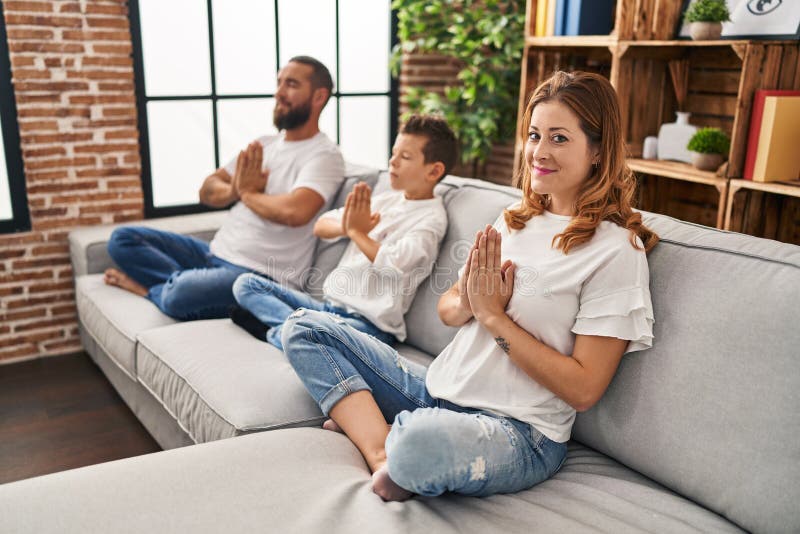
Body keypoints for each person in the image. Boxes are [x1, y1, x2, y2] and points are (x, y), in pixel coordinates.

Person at [280, 71, 659, 502]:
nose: (538, 151)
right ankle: (380, 448)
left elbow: (584, 389)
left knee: (422, 444)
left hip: (518, 431)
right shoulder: (515, 219)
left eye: (559, 138)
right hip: (435, 394)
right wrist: (472, 304)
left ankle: (379, 431)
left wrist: (494, 317)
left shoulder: (616, 251)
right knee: (304, 328)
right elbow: (449, 307)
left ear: (597, 149)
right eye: (534, 135)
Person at [103, 56, 346, 320]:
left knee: (181, 294)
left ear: (319, 96)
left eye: (291, 84)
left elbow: (295, 211)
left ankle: (154, 290)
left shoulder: (324, 155)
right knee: (122, 239)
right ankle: (176, 284)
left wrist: (247, 193)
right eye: (278, 83)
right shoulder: (264, 145)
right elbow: (207, 189)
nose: (278, 93)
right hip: (213, 253)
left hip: (258, 274)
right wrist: (233, 191)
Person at [230, 114, 458, 350]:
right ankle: (290, 332)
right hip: (328, 309)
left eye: (405, 157)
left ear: (433, 171)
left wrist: (357, 232)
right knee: (246, 284)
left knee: (312, 330)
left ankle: (279, 332)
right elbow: (321, 225)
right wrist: (347, 228)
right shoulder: (386, 201)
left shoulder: (431, 219)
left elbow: (395, 264)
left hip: (369, 328)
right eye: (394, 153)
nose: (393, 162)